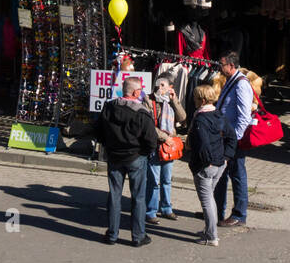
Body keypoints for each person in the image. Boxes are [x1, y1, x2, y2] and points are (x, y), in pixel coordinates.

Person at [93, 76, 160, 247]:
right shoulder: (142, 113)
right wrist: (143, 153)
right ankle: (138, 236)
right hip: (136, 157)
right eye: (141, 90)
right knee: (138, 197)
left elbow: (98, 132)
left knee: (114, 194)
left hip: (115, 156)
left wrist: (109, 146)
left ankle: (112, 234)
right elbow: (151, 140)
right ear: (137, 92)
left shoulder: (109, 107)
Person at [186, 79, 239, 245]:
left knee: (207, 201)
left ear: (201, 100)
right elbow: (232, 137)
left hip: (207, 166)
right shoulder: (219, 115)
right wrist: (225, 157)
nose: (193, 102)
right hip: (219, 164)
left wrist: (208, 161)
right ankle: (209, 231)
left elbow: (202, 144)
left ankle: (212, 236)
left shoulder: (201, 120)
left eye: (195, 99)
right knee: (210, 198)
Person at [214, 51, 254, 230]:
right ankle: (217, 210)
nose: (219, 67)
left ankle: (239, 214)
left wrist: (235, 139)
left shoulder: (241, 85)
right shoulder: (230, 80)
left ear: (231, 66)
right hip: (225, 137)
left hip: (233, 139)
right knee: (221, 174)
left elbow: (244, 116)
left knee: (237, 175)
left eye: (222, 64)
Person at [145, 77, 186, 225]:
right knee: (154, 181)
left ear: (170, 87)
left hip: (169, 147)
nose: (159, 88)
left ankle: (167, 209)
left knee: (167, 180)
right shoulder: (149, 100)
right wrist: (164, 137)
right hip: (156, 145)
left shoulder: (170, 100)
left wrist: (174, 100)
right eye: (158, 84)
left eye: (163, 85)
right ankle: (150, 211)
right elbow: (148, 125)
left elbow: (182, 117)